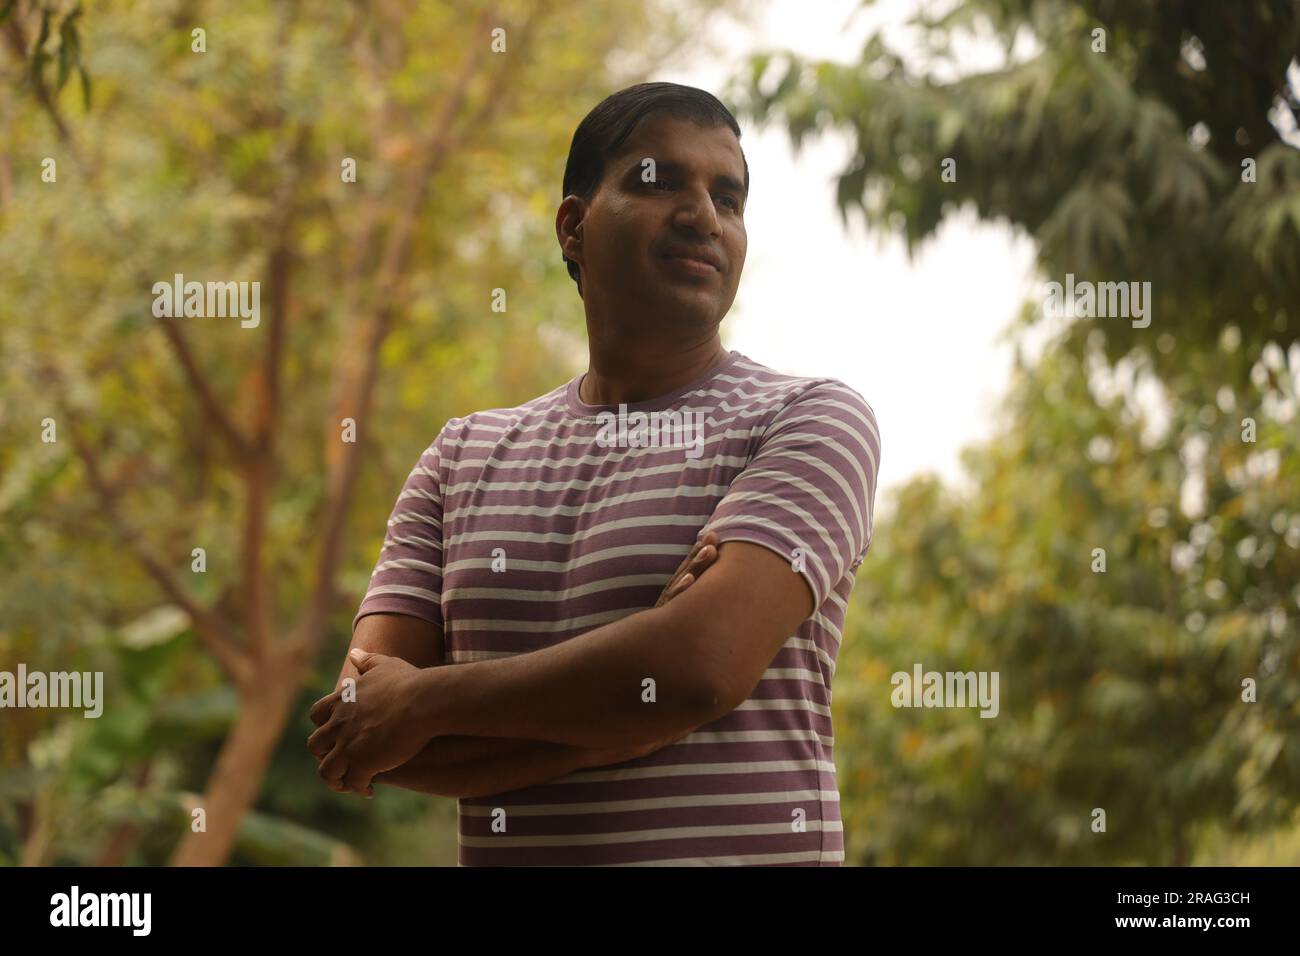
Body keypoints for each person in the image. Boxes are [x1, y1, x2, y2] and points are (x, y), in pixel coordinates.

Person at [308, 81, 882, 866]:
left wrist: (427, 701)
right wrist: (628, 716)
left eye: (729, 197)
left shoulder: (809, 419)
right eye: (660, 181)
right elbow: (366, 734)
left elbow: (696, 669)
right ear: (574, 227)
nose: (703, 216)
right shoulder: (461, 456)